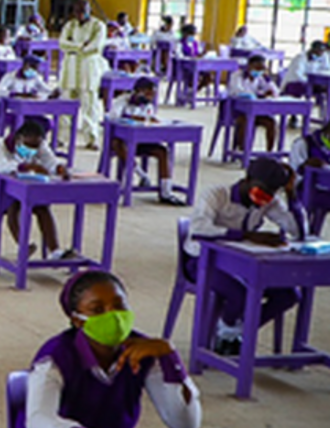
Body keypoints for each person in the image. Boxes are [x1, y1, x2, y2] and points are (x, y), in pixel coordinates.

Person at [22, 269, 202, 428]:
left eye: (119, 305)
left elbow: (185, 424)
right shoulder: (57, 357)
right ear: (78, 320)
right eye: (98, 309)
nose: (113, 316)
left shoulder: (140, 352)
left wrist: (170, 360)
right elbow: (38, 419)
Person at [186, 158, 305, 354]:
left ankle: (231, 332)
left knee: (289, 294)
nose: (264, 198)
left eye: (271, 193)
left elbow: (298, 231)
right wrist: (248, 235)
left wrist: (292, 196)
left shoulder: (268, 202)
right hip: (203, 262)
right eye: (261, 190)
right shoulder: (216, 195)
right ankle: (227, 335)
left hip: (243, 264)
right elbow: (199, 229)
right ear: (248, 179)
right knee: (241, 294)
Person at [0, 121, 77, 260]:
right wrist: (27, 166)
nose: (33, 149)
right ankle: (24, 246)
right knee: (13, 207)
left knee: (42, 208)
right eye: (29, 145)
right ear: (19, 138)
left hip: (26, 186)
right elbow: (0, 168)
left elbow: (50, 161)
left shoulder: (40, 145)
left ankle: (55, 251)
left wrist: (59, 168)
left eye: (36, 146)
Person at [107, 78, 184, 205]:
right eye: (148, 94)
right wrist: (131, 118)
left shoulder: (148, 106)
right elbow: (112, 118)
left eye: (152, 95)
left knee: (162, 151)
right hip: (122, 142)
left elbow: (149, 119)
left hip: (141, 142)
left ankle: (166, 192)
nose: (150, 98)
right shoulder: (122, 101)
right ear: (138, 92)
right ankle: (142, 174)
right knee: (118, 144)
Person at [58, 0, 108, 149]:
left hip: (89, 66)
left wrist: (73, 46)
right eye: (77, 11)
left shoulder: (98, 25)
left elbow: (95, 46)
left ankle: (92, 139)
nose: (80, 14)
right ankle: (61, 137)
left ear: (89, 10)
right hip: (71, 66)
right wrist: (80, 45)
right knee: (65, 102)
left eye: (83, 11)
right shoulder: (70, 25)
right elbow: (62, 43)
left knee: (90, 104)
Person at [228, 54, 280, 153]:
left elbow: (275, 92)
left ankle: (269, 152)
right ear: (250, 66)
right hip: (237, 110)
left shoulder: (260, 78)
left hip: (256, 110)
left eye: (262, 69)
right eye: (257, 68)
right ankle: (243, 151)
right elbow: (237, 91)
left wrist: (268, 81)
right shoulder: (237, 76)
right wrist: (256, 95)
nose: (259, 71)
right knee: (246, 121)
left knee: (271, 123)